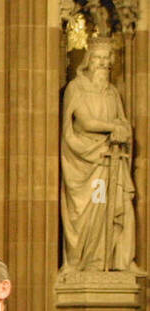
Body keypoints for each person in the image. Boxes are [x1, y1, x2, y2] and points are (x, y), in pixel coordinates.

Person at [60, 38, 138, 273]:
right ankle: (85, 262)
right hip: (87, 162)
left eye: (106, 58)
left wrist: (123, 129)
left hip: (110, 160)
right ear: (88, 60)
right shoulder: (77, 88)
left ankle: (120, 261)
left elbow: (122, 121)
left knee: (117, 205)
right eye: (98, 58)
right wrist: (113, 127)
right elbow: (85, 121)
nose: (103, 63)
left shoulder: (112, 92)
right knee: (93, 206)